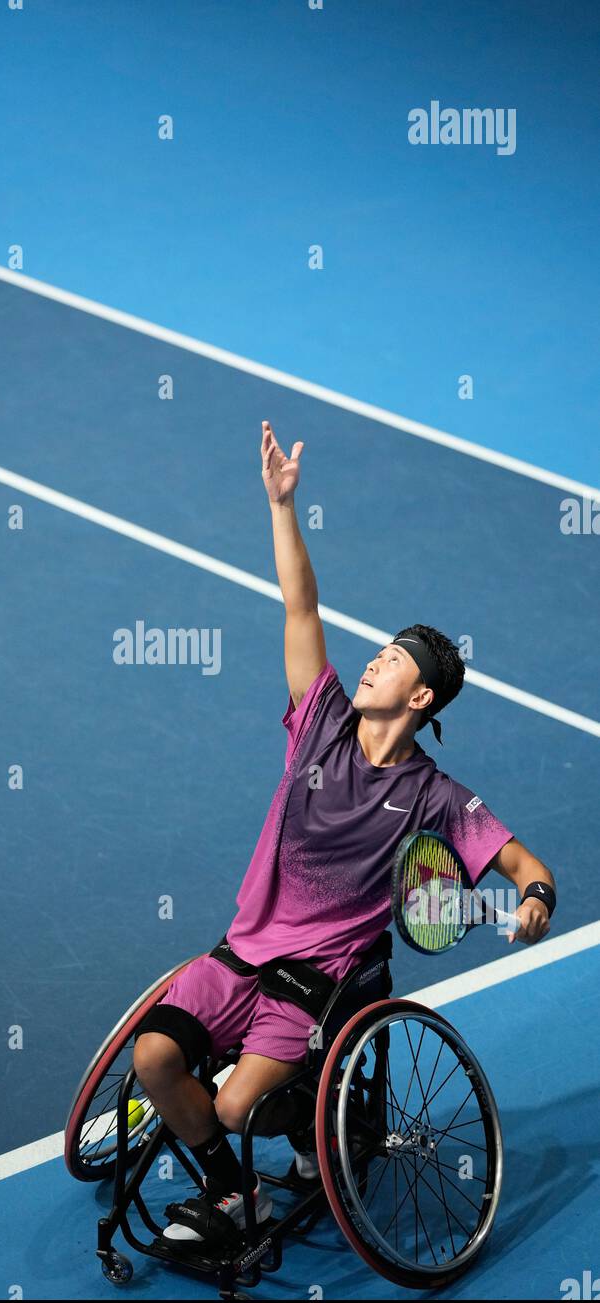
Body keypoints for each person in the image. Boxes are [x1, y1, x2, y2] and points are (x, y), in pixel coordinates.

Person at [133, 421, 556, 1250]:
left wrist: (535, 897)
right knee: (153, 1060)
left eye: (393, 660)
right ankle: (237, 1191)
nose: (372, 662)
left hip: (319, 977)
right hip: (245, 946)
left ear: (422, 698)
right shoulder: (318, 720)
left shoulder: (433, 793)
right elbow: (301, 604)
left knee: (228, 1106)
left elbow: (518, 860)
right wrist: (283, 506)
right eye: (378, 652)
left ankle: (303, 1126)